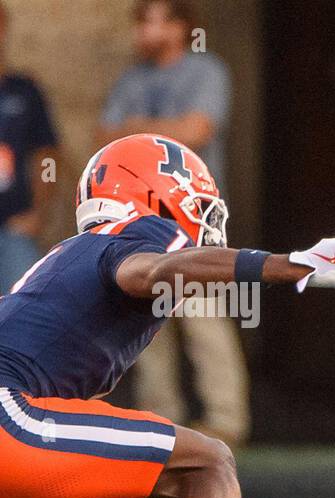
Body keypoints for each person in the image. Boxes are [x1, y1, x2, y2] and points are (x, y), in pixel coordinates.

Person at [0, 133, 335, 498]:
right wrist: (291, 265)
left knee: (195, 462)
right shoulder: (143, 232)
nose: (204, 222)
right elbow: (149, 272)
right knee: (206, 464)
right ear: (157, 191)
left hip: (15, 404)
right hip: (7, 410)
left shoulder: (74, 256)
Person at [97, 0, 248, 447]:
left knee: (202, 316)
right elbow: (102, 138)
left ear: (183, 26)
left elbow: (198, 129)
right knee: (148, 321)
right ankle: (162, 420)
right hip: (141, 219)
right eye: (143, 20)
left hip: (192, 216)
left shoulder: (206, 71)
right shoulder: (132, 79)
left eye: (159, 19)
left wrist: (137, 129)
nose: (148, 29)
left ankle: (226, 419)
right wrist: (161, 129)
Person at [0, 1, 59, 292]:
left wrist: (39, 212)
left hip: (13, 228)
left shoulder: (25, 91)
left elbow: (47, 157)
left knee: (27, 299)